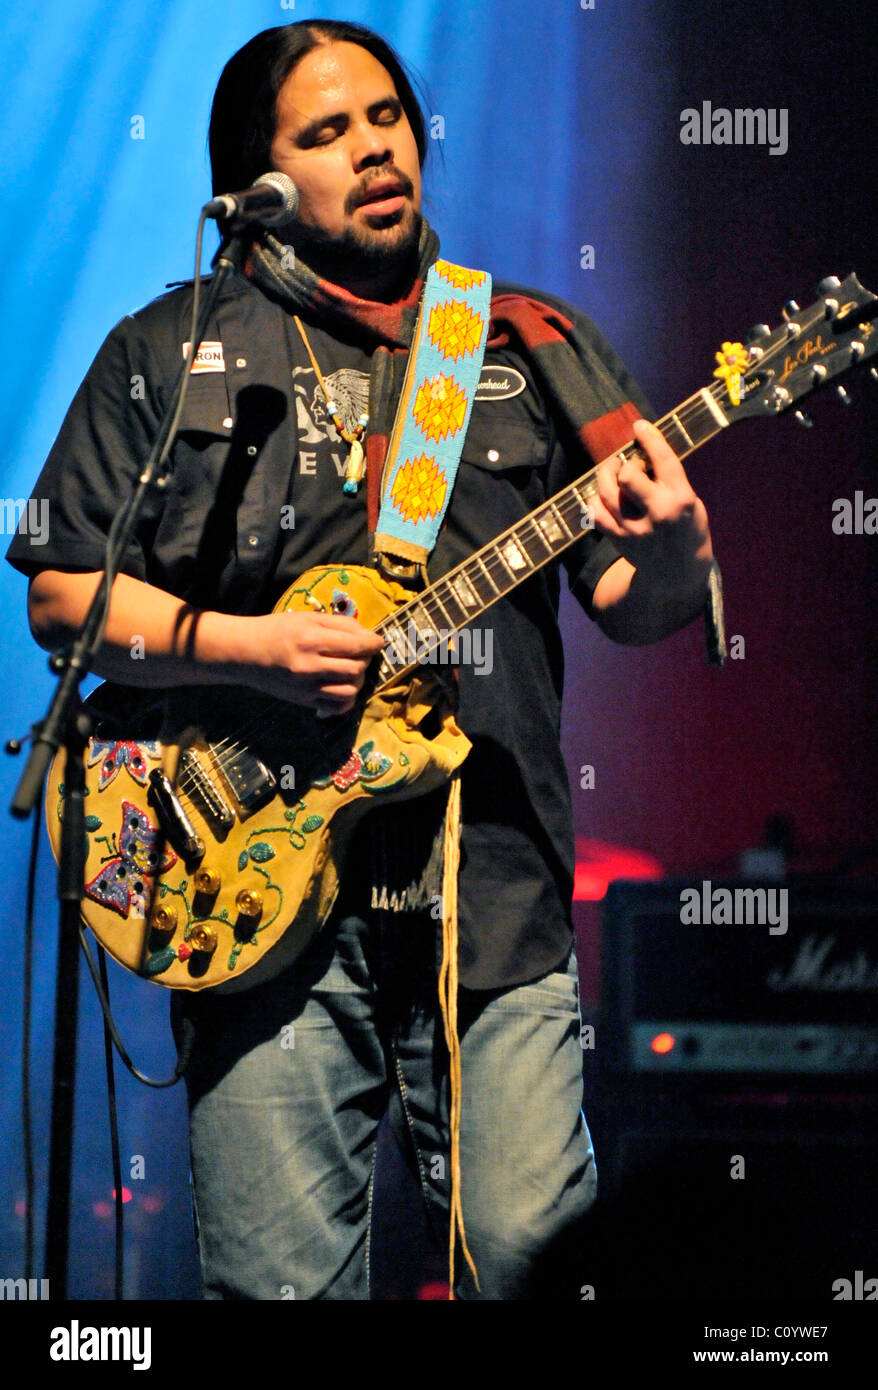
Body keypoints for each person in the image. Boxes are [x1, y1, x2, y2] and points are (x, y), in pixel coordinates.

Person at [7, 20, 717, 1300]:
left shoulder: (523, 342)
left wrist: (674, 545)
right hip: (251, 895)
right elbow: (60, 599)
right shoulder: (163, 353)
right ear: (254, 178)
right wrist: (253, 650)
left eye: (385, 117)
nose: (372, 149)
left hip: (490, 900)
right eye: (324, 133)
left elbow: (634, 600)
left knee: (535, 1267)